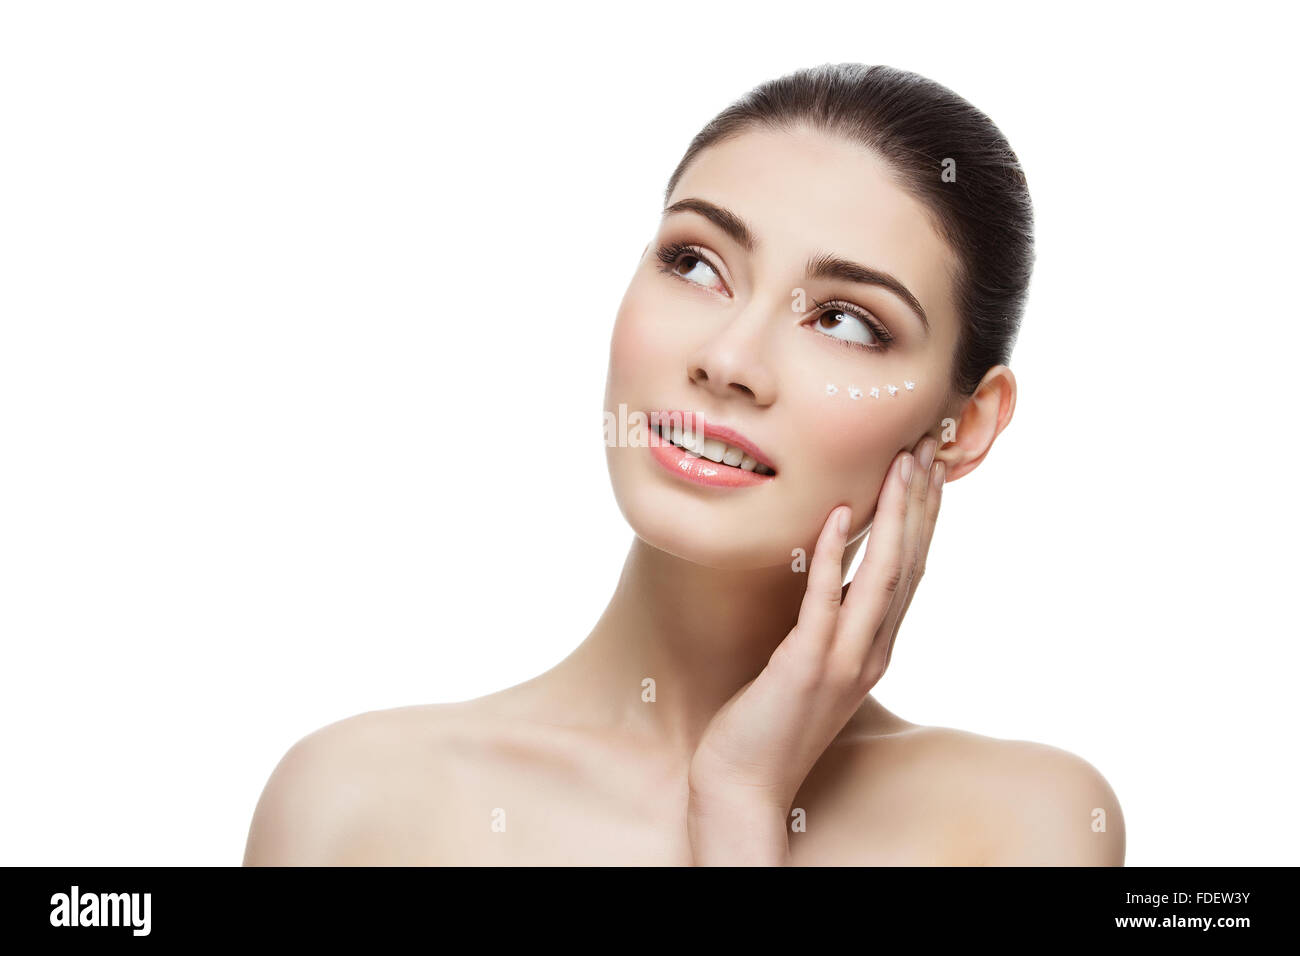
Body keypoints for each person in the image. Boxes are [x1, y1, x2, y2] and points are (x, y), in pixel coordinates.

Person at [243, 62, 1125, 866]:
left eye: (846, 321)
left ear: (965, 426)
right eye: (695, 263)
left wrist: (740, 802)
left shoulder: (1021, 829)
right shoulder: (353, 809)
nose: (730, 358)